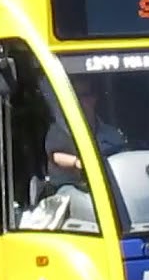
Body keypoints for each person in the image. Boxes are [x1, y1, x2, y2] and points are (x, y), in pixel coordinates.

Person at [42, 76, 125, 222]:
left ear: (94, 99)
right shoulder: (59, 130)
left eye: (84, 96)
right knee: (93, 211)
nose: (79, 101)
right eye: (75, 97)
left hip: (110, 189)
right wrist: (77, 162)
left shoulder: (111, 133)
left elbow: (122, 157)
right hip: (69, 188)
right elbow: (54, 155)